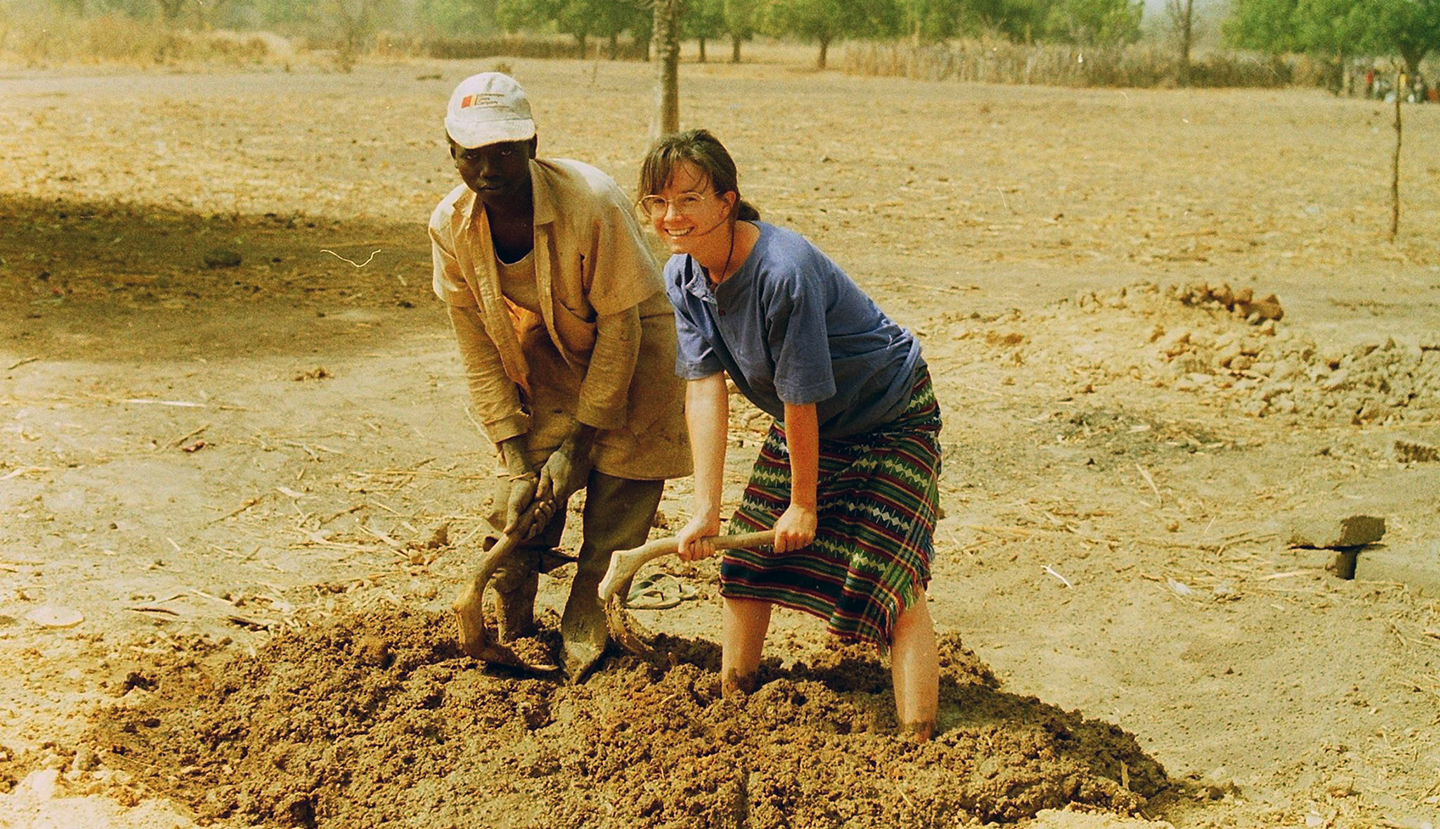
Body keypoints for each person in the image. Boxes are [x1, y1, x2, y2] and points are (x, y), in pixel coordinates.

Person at [638, 129, 942, 739]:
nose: (671, 216)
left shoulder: (783, 272)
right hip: (805, 419)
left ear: (727, 201)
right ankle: (735, 703)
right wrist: (704, 511)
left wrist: (804, 503)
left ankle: (919, 743)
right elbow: (704, 388)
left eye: (688, 199)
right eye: (657, 202)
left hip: (887, 416)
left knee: (890, 580)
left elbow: (800, 393)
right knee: (748, 567)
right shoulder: (683, 276)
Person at [429, 73, 690, 678]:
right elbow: (477, 347)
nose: (487, 168)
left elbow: (620, 331)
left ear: (532, 145)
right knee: (515, 512)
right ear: (452, 152)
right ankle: (512, 633)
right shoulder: (449, 224)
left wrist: (580, 441)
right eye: (472, 154)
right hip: (551, 359)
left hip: (639, 353)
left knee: (614, 513)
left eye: (503, 151)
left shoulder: (590, 202)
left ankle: (588, 633)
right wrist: (515, 454)